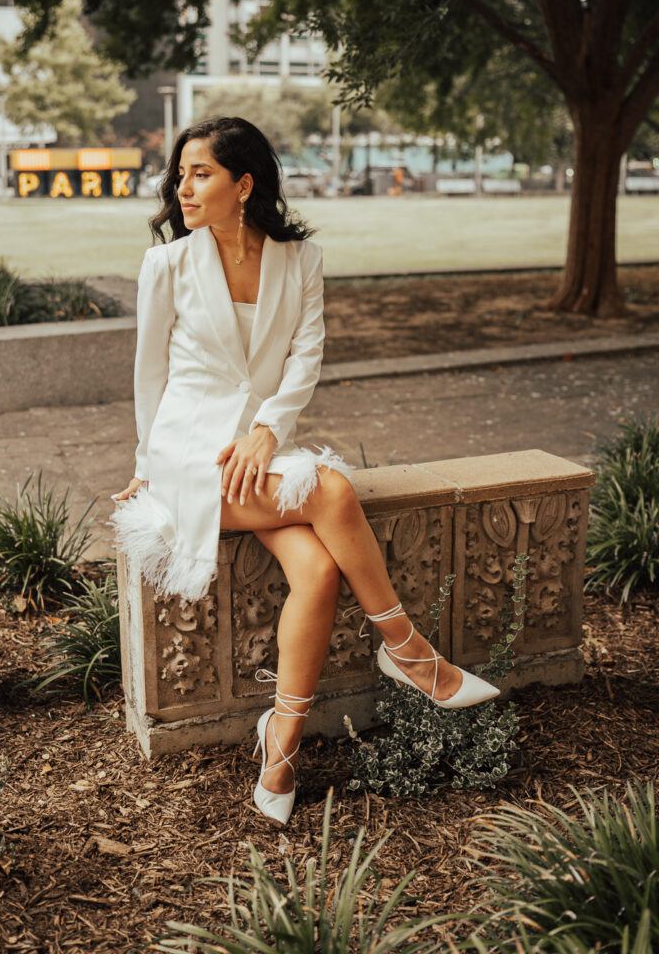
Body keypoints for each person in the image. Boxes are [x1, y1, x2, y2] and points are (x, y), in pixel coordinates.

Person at [110, 116, 499, 826]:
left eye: (201, 173)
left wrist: (265, 431)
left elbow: (304, 362)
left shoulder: (302, 262)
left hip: (260, 448)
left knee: (318, 572)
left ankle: (281, 739)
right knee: (333, 488)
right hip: (187, 451)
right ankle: (408, 651)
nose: (182, 186)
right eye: (181, 174)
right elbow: (149, 375)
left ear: (244, 183)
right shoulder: (165, 266)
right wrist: (145, 465)